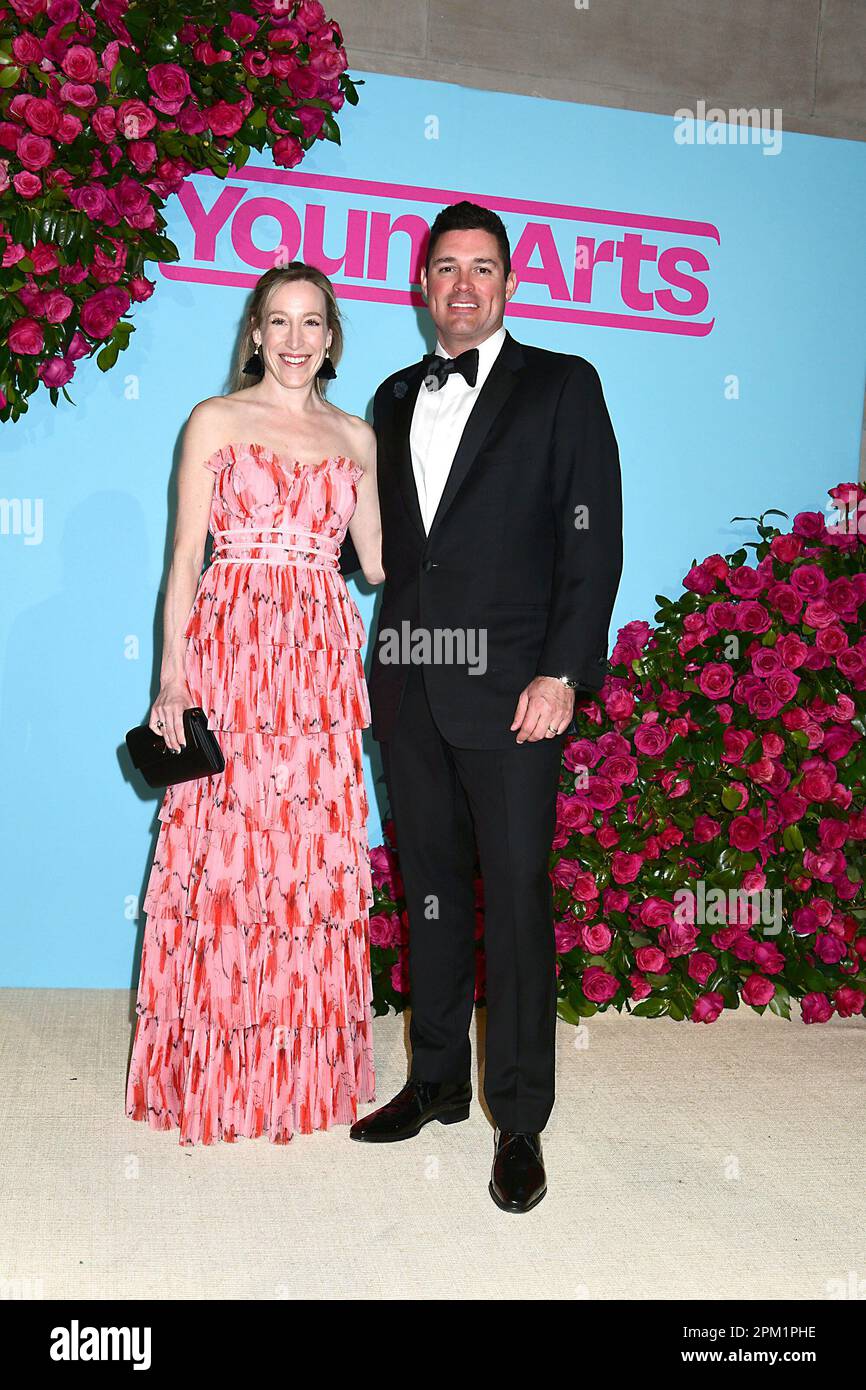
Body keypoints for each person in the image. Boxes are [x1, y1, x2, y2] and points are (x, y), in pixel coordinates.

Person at [344, 201, 623, 1212]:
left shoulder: (560, 385)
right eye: (445, 268)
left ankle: (518, 1119)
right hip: (409, 681)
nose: (463, 285)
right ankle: (431, 1084)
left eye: (482, 268)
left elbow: (591, 546)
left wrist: (562, 672)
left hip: (514, 693)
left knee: (511, 905)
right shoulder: (383, 396)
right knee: (426, 890)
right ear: (420, 285)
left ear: (506, 285)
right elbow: (369, 548)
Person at [125, 262, 385, 1145]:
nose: (296, 340)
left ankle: (298, 1079)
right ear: (255, 333)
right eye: (279, 322)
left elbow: (383, 563)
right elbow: (184, 559)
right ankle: (213, 1074)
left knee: (306, 858)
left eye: (313, 323)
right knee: (227, 854)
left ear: (332, 337)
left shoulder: (357, 438)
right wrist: (172, 673)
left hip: (316, 657)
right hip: (231, 649)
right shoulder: (214, 420)